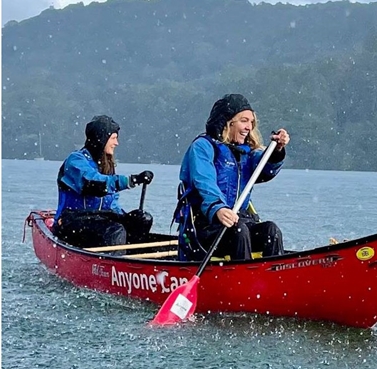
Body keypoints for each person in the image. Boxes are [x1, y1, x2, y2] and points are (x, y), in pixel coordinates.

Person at [174, 93, 291, 261]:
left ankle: (274, 274)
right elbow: (204, 183)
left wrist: (277, 150)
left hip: (239, 220)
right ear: (228, 122)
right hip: (207, 225)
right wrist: (218, 208)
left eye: (251, 122)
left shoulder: (246, 152)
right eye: (244, 121)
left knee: (271, 231)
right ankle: (244, 276)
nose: (249, 127)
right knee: (239, 231)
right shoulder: (202, 147)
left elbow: (265, 169)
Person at [52, 115, 155, 249]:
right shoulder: (76, 160)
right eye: (113, 138)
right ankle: (115, 259)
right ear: (101, 139)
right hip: (71, 220)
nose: (116, 143)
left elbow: (112, 203)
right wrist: (132, 180)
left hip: (99, 219)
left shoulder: (106, 165)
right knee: (114, 230)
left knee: (142, 219)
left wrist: (129, 220)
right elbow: (96, 183)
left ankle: (133, 255)